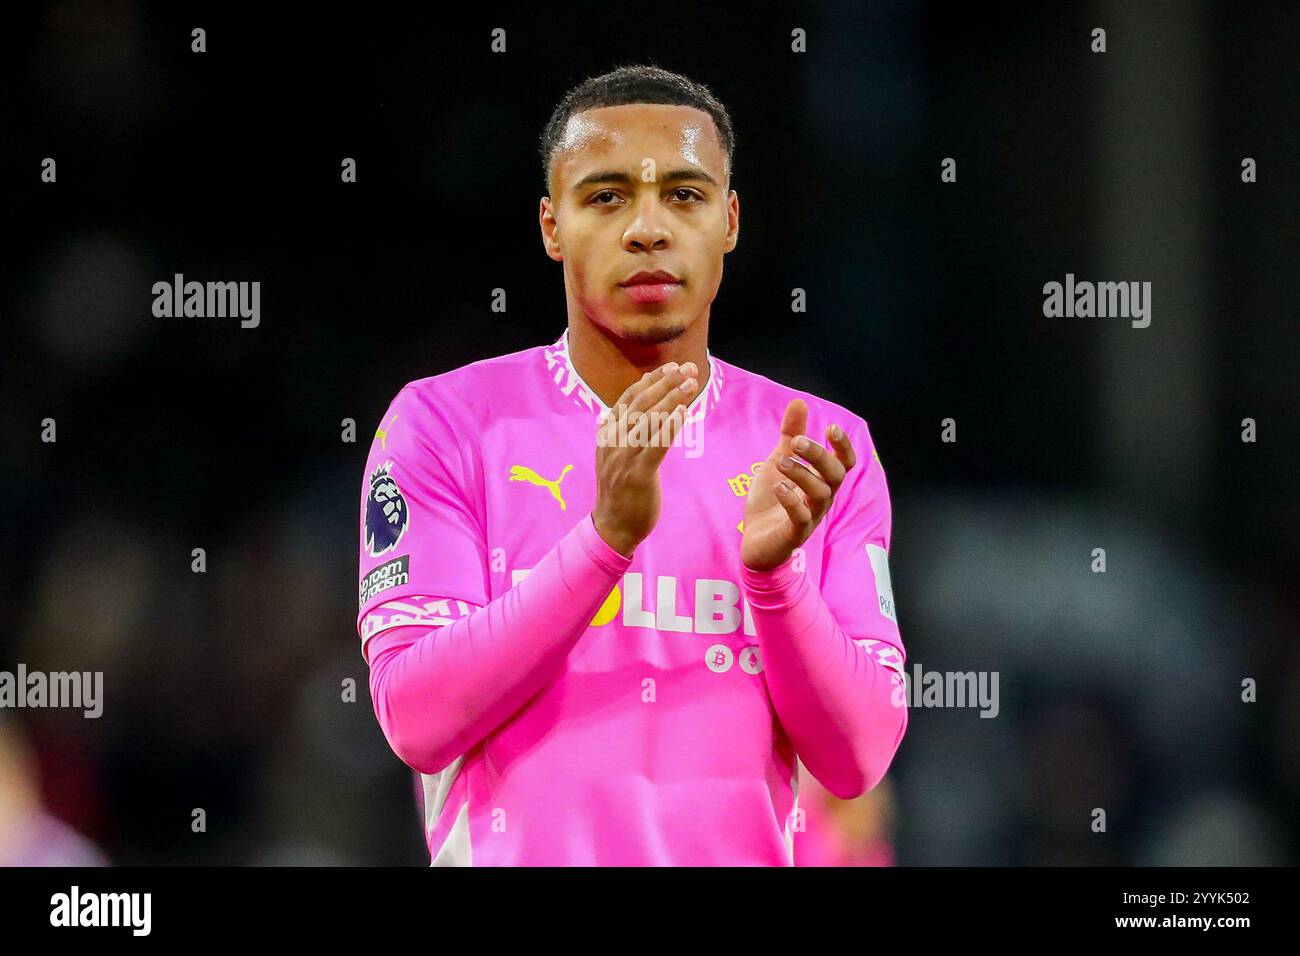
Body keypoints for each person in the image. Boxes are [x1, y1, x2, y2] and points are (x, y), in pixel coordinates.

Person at [356, 64, 908, 865]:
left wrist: (776, 581)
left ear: (730, 220)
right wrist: (603, 540)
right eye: (607, 196)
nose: (647, 228)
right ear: (552, 227)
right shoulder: (445, 425)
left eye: (684, 195)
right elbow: (417, 716)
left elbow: (859, 759)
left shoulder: (820, 447)